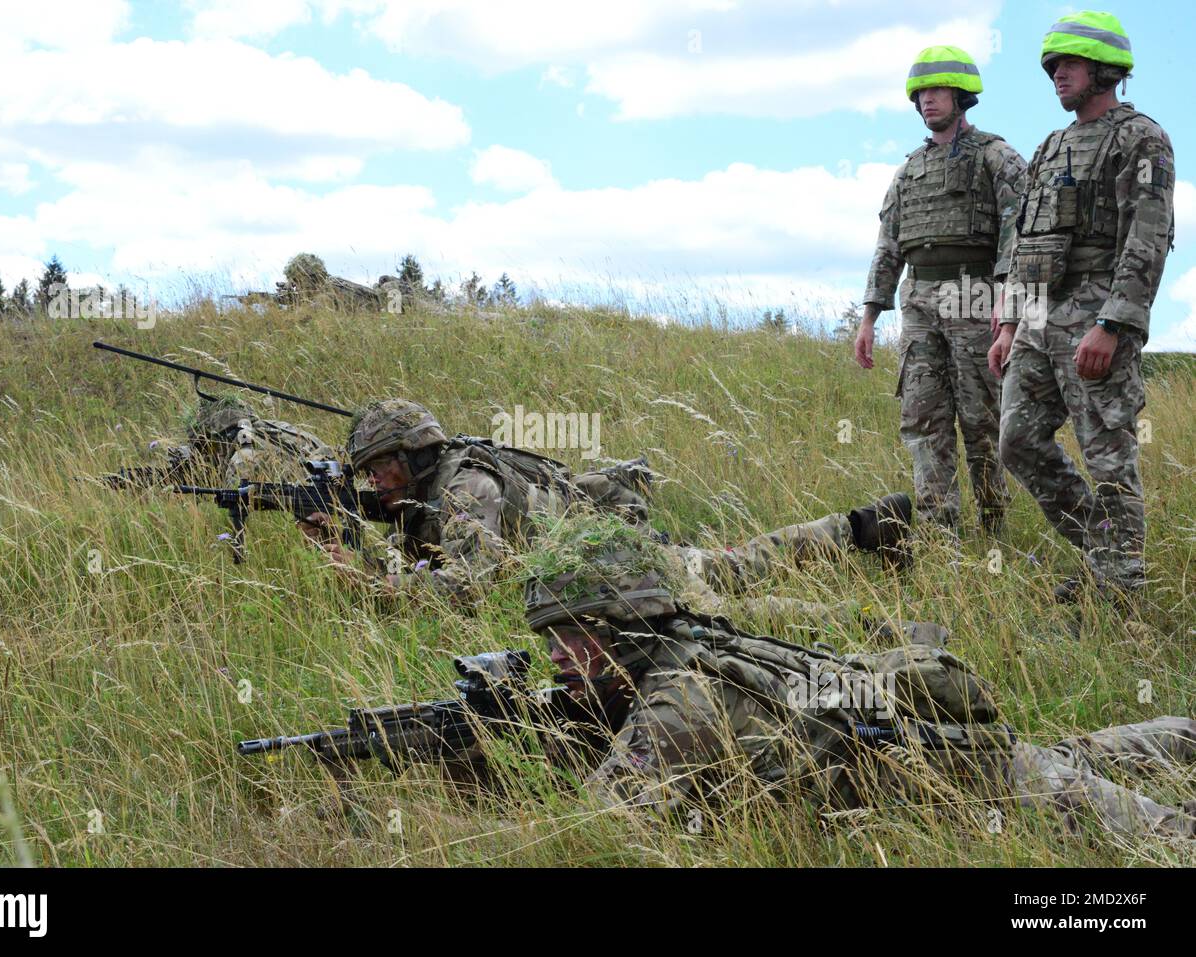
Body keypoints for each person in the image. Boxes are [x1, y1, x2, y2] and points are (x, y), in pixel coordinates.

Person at [520, 512, 1196, 839]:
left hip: (939, 774)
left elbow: (597, 831)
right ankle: (1181, 733)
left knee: (1149, 828)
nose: (555, 652)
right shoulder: (687, 644)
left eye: (570, 634)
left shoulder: (677, 701)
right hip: (897, 745)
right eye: (548, 636)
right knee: (1064, 756)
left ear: (623, 627)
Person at [297, 399, 914, 604]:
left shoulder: (464, 489)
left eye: (378, 467)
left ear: (410, 457)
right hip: (592, 572)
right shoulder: (430, 493)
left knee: (730, 586)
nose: (373, 481)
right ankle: (865, 533)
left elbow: (468, 587)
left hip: (617, 568)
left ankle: (865, 540)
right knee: (734, 573)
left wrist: (373, 581)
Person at [988, 12, 1175, 605]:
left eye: (1067, 64)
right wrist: (1010, 323)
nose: (1057, 75)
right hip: (1038, 323)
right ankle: (1104, 554)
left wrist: (1114, 324)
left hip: (1097, 316)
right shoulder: (1049, 147)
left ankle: (1122, 594)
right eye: (1052, 66)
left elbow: (1146, 237)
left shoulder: (1140, 138)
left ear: (1104, 70)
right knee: (1016, 442)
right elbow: (1023, 241)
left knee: (1109, 457)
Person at [858, 46, 1027, 535]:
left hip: (975, 296)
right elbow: (888, 243)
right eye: (921, 92)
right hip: (918, 300)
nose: (927, 100)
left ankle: (995, 526)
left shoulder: (997, 157)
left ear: (961, 96)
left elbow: (1021, 231)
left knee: (982, 419)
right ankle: (939, 534)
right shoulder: (908, 171)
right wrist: (870, 316)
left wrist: (1005, 299)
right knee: (923, 418)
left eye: (937, 90)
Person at [103, 394, 333, 489]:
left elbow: (238, 500)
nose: (201, 454)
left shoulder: (243, 460)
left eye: (202, 446)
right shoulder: (275, 430)